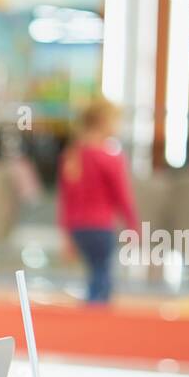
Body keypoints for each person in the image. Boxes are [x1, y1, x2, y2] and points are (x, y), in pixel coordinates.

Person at [56, 98, 139, 304]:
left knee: (96, 273)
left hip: (79, 228)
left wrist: (66, 235)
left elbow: (66, 200)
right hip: (100, 227)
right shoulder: (109, 157)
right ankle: (94, 311)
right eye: (116, 121)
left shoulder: (72, 155)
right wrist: (133, 224)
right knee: (102, 276)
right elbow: (122, 196)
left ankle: (92, 306)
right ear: (104, 122)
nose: (119, 126)